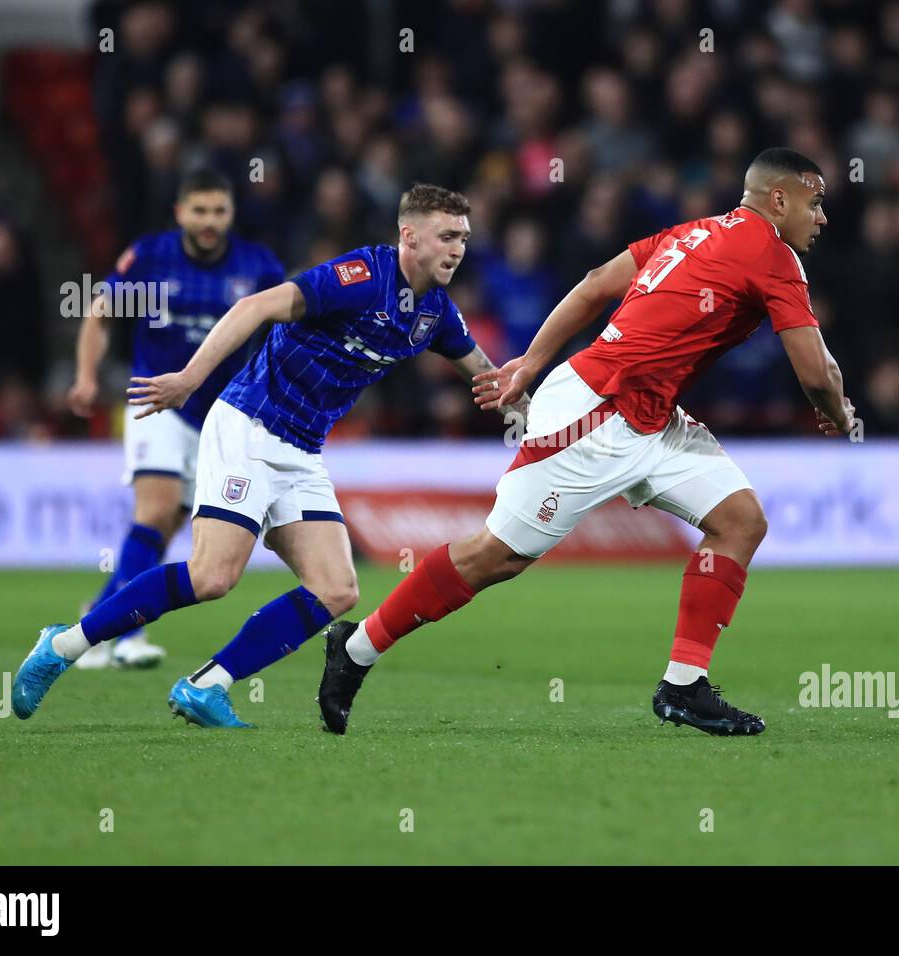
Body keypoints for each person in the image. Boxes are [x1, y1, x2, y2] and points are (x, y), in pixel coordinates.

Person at [318, 148, 853, 737]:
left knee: (740, 521)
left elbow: (599, 284)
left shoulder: (692, 233)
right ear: (779, 200)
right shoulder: (772, 254)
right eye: (816, 201)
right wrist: (839, 415)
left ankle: (683, 685)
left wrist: (530, 364)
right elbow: (815, 374)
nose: (822, 216)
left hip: (650, 415)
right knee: (496, 556)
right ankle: (358, 646)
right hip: (597, 413)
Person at [13, 183, 526, 727]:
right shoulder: (361, 277)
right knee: (213, 576)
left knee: (336, 588)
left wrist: (533, 417)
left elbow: (491, 379)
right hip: (250, 425)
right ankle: (63, 645)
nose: (457, 249)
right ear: (409, 236)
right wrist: (190, 378)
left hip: (302, 449)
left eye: (464, 238)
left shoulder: (436, 314)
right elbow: (255, 306)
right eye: (447, 236)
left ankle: (207, 685)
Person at [68, 168, 284, 668]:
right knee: (157, 510)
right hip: (155, 399)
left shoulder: (258, 267)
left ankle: (93, 619)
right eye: (200, 210)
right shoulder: (150, 257)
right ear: (180, 213)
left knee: (164, 529)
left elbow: (286, 329)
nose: (209, 221)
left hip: (222, 415)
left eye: (219, 211)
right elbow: (100, 311)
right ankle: (126, 638)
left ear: (231, 214)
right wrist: (85, 375)